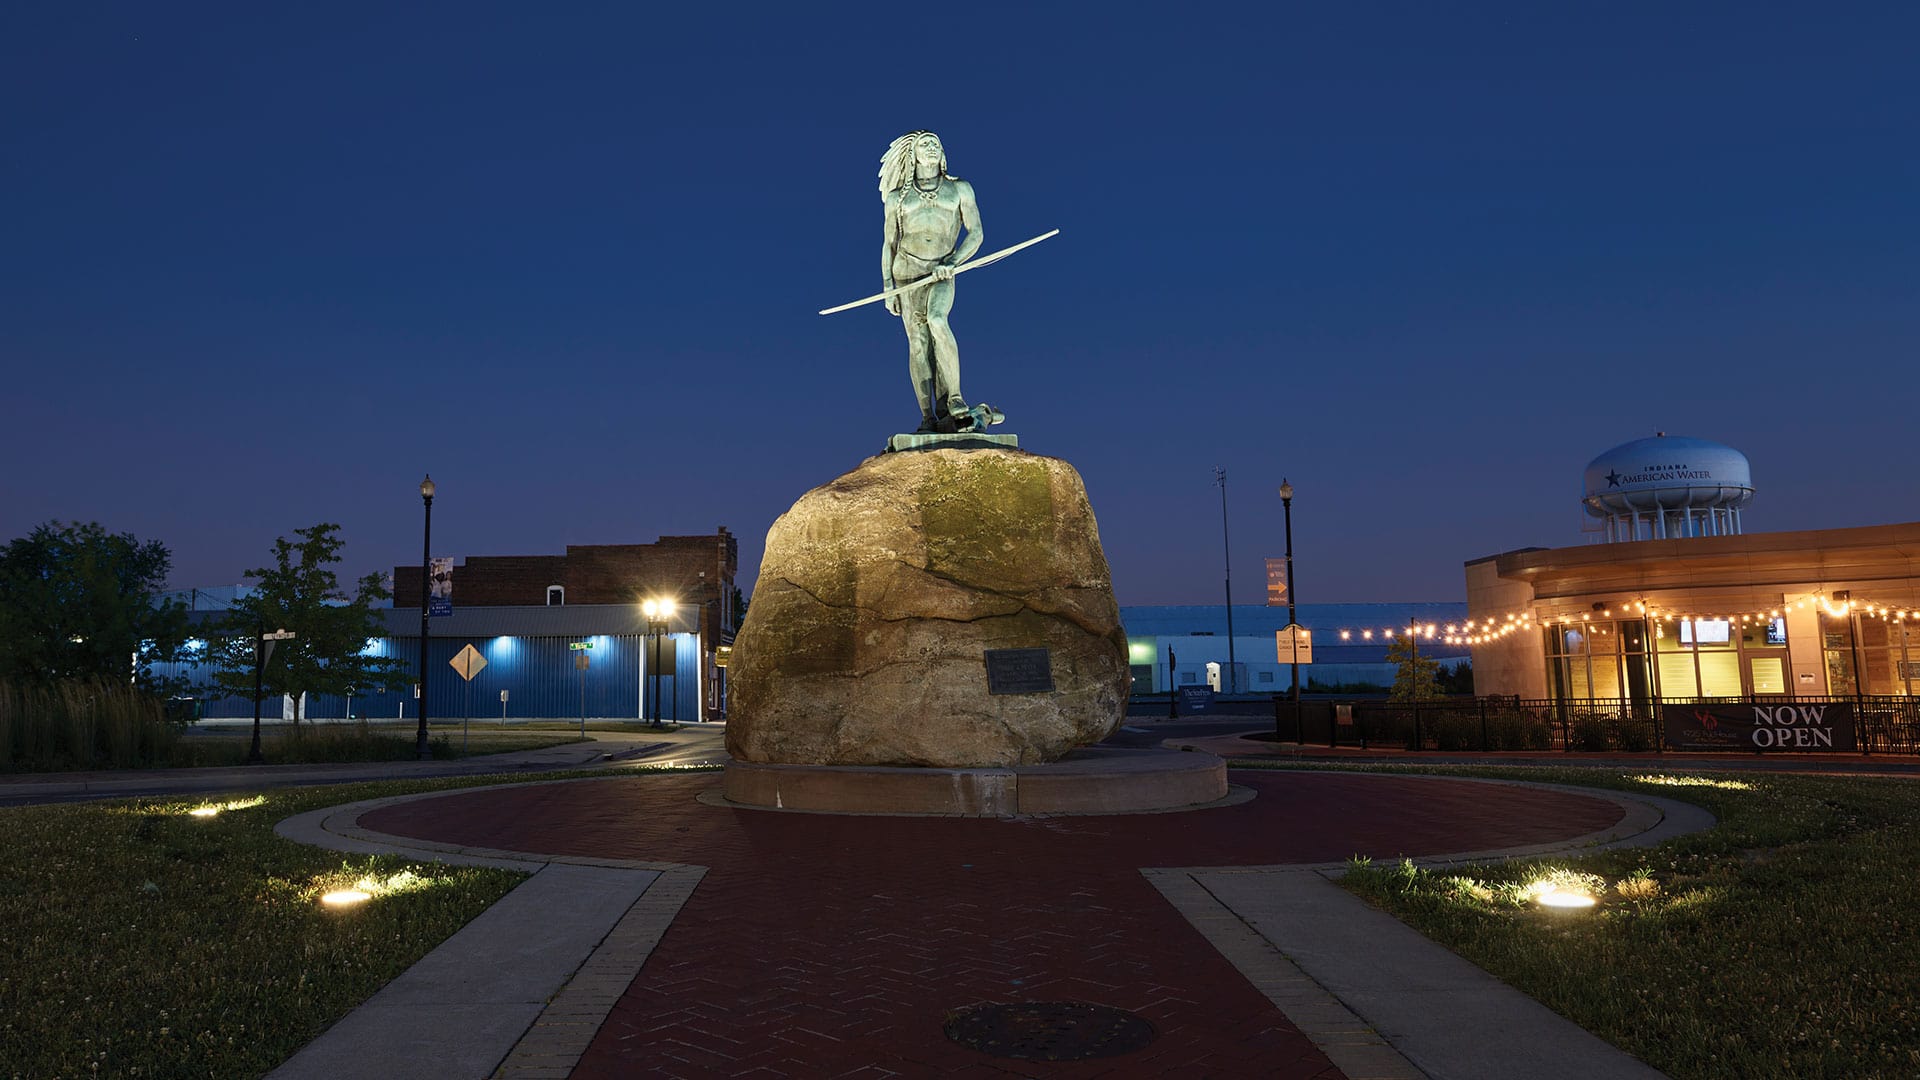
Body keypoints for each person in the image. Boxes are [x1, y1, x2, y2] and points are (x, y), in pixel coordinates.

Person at [878, 132, 1002, 433]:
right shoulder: (898, 198)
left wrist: (953, 261)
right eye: (925, 144)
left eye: (936, 143)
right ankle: (928, 416)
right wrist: (887, 286)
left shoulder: (959, 189)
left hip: (942, 269)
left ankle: (954, 396)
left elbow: (976, 233)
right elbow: (889, 243)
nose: (932, 147)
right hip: (906, 271)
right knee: (918, 344)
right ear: (914, 156)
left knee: (936, 319)